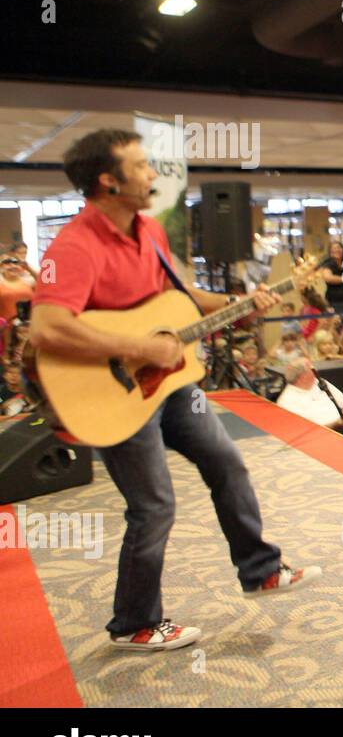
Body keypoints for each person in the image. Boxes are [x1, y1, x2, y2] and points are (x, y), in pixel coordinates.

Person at [29, 128, 318, 652]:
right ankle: (133, 624)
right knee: (154, 506)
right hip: (114, 394)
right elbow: (48, 328)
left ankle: (260, 569)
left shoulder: (150, 231)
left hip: (172, 384)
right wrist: (138, 348)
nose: (153, 174)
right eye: (141, 166)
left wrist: (244, 302)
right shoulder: (75, 245)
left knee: (226, 461)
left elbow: (180, 296)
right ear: (108, 182)